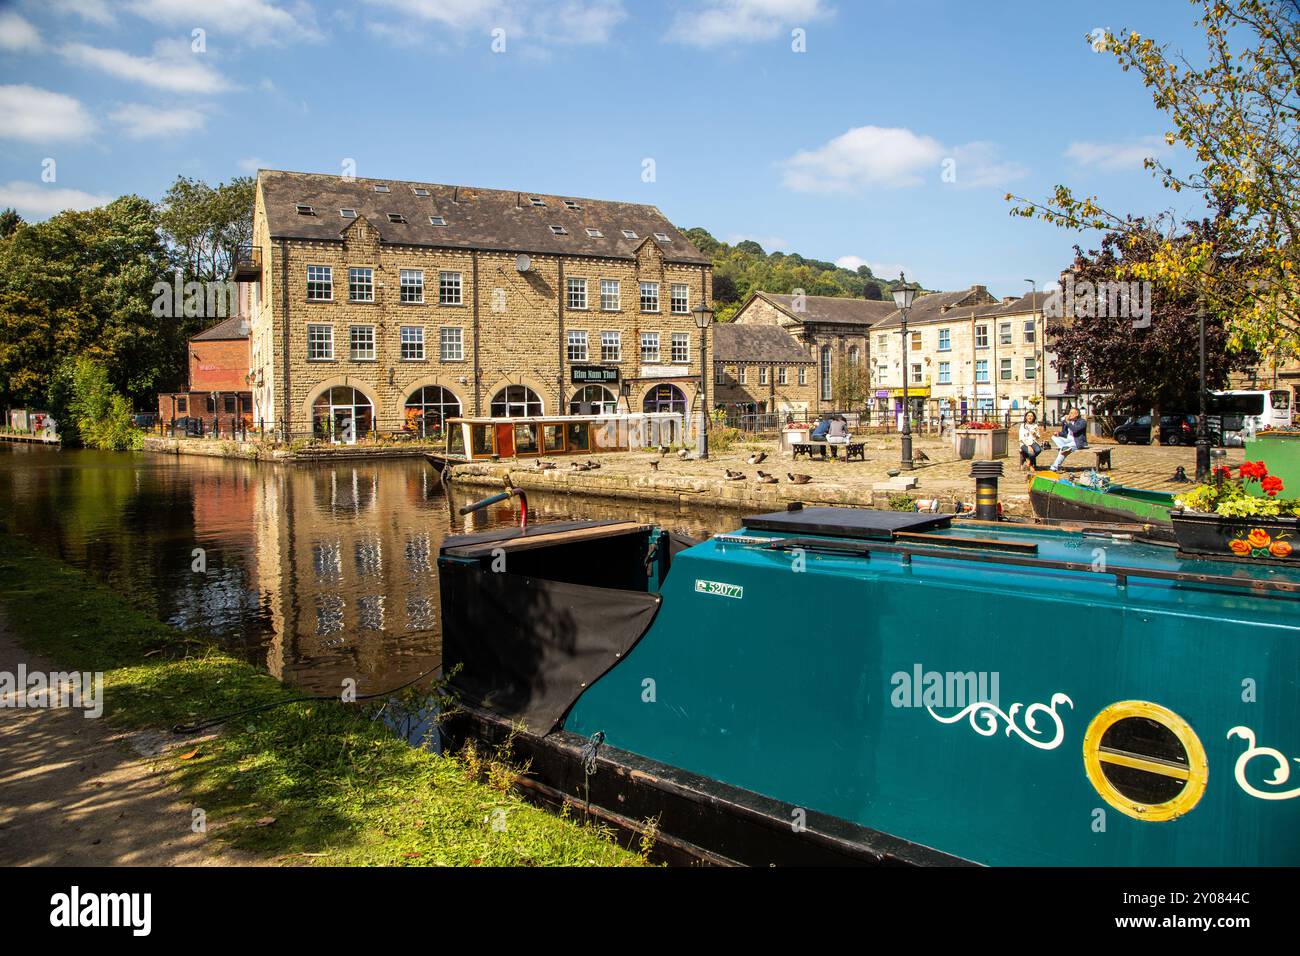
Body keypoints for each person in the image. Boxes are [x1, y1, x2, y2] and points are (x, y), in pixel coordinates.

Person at [1050, 406, 1088, 471]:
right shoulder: (1067, 422)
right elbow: (1065, 433)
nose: (1070, 414)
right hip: (1068, 440)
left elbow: (1075, 430)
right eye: (1070, 413)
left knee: (1063, 450)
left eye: (1072, 413)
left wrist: (1068, 422)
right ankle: (1065, 448)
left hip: (1077, 441)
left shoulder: (1082, 422)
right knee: (1053, 437)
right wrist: (1058, 434)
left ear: (1077, 414)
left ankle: (1054, 467)